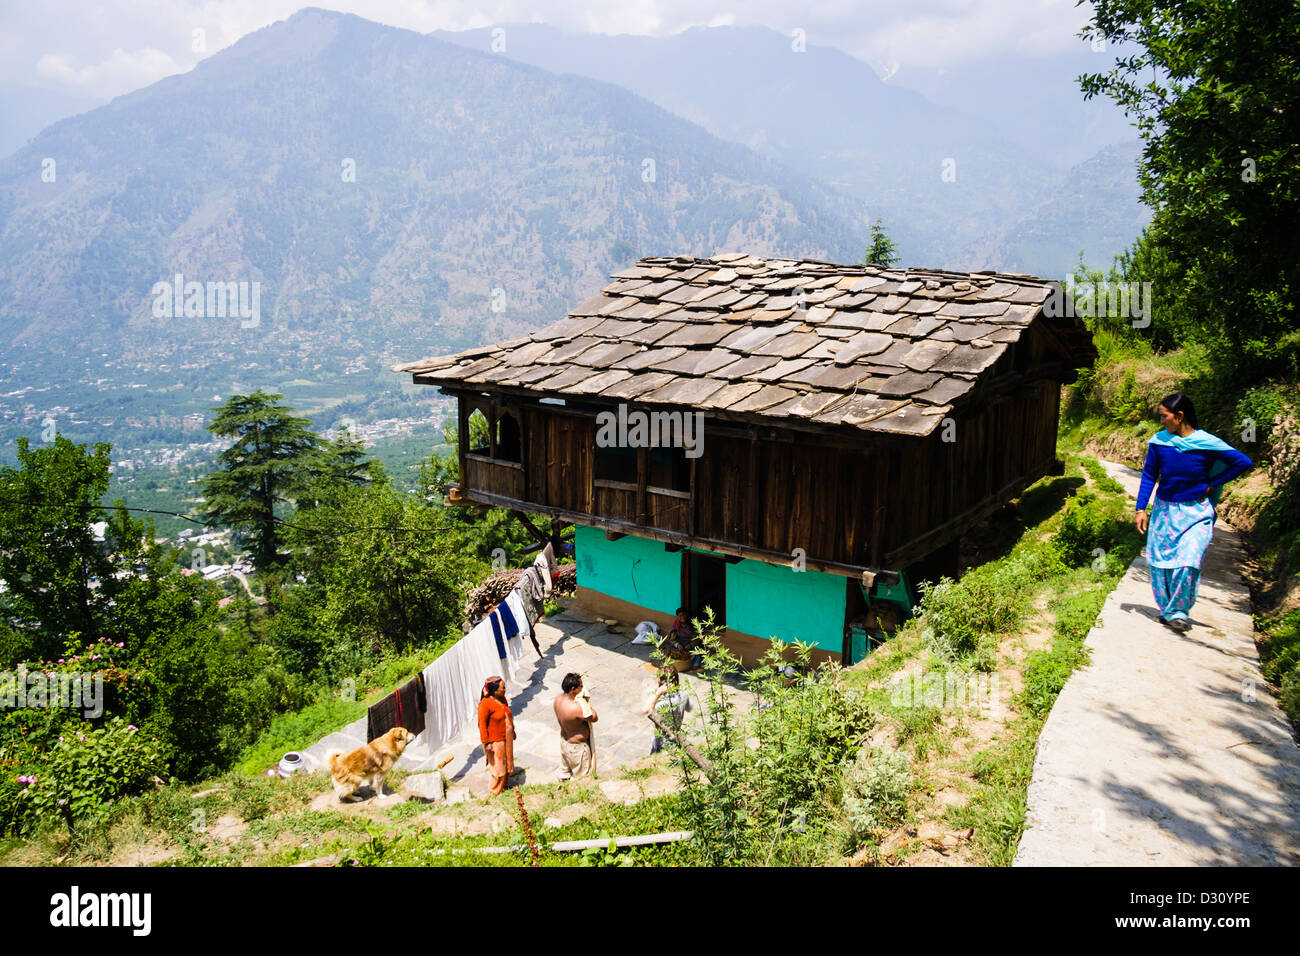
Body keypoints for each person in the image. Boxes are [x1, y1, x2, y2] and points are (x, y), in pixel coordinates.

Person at [1134, 393, 1253, 632]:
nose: (1161, 422)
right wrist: (1140, 509)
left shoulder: (1207, 444)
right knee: (1162, 563)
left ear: (1179, 416)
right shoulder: (1159, 443)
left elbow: (1243, 462)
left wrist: (1213, 483)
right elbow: (1149, 476)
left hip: (1196, 513)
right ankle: (1168, 610)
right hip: (1165, 511)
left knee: (1189, 561)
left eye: (1164, 417)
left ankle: (1179, 611)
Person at [554, 672, 597, 779]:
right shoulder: (575, 707)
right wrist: (585, 703)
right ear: (573, 689)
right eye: (581, 687)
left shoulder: (558, 698)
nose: (582, 689)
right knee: (583, 780)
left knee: (564, 775)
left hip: (565, 743)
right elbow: (594, 717)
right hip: (577, 749)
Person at [477, 676, 515, 795]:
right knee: (498, 767)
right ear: (494, 690)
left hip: (506, 737)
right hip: (495, 740)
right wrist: (486, 743)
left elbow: (507, 716)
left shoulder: (502, 699)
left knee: (508, 762)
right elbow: (482, 725)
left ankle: (504, 786)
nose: (505, 689)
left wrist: (513, 731)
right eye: (502, 688)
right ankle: (495, 791)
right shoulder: (485, 704)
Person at [641, 666, 686, 755]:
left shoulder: (663, 703)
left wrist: (658, 693)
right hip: (676, 736)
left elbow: (645, 710)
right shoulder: (682, 694)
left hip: (662, 744)